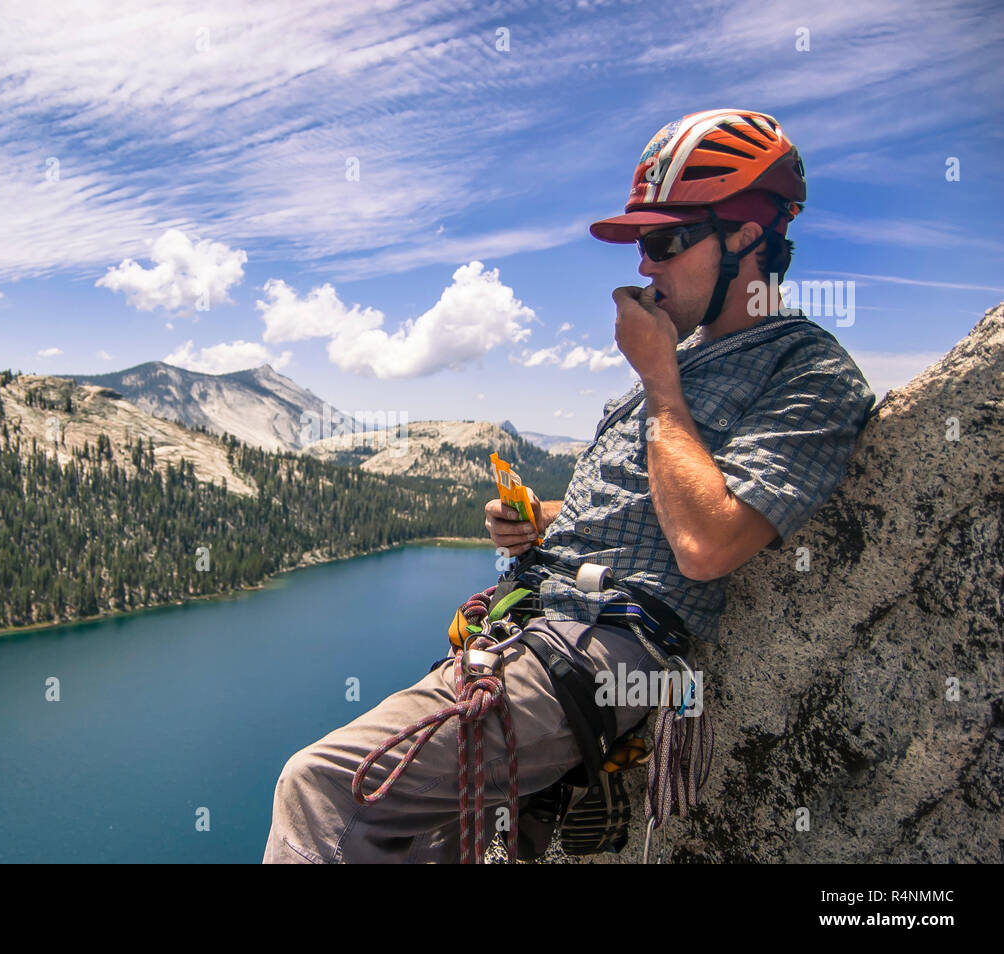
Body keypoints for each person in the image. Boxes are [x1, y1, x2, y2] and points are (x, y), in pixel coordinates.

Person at [261, 109, 876, 864]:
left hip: (612, 646)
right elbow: (644, 503)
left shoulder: (808, 373)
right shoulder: (679, 362)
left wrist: (659, 381)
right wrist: (543, 518)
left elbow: (709, 542)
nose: (646, 269)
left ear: (747, 236)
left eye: (665, 242)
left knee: (325, 787)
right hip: (540, 624)